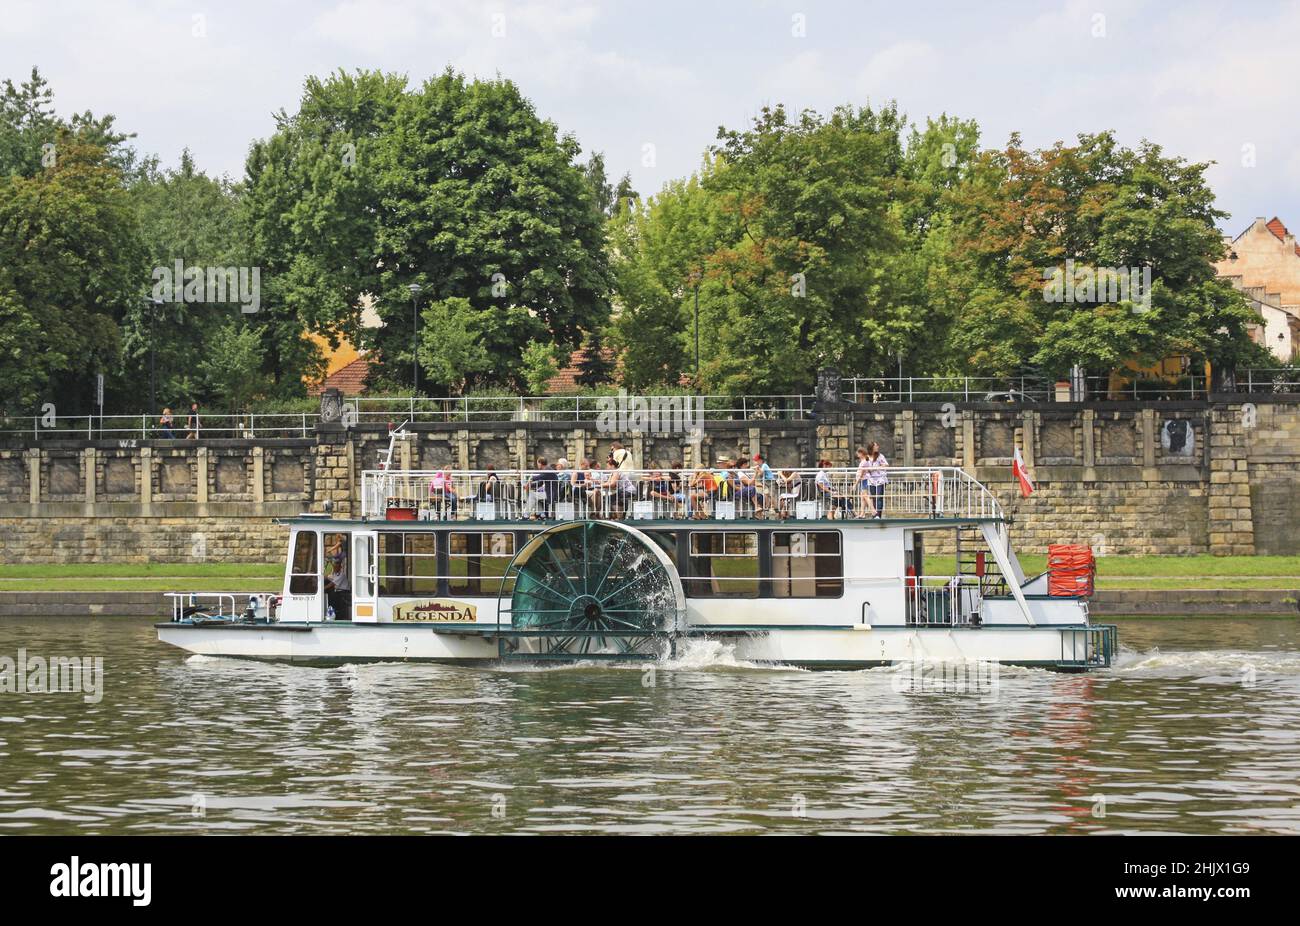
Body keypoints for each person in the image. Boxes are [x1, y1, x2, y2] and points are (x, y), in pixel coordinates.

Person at [863, 442, 889, 518]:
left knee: (879, 497)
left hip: (880, 479)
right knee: (873, 498)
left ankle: (878, 515)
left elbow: (886, 465)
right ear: (872, 447)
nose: (878, 446)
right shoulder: (867, 457)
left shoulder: (880, 456)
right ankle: (875, 515)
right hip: (871, 480)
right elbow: (865, 467)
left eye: (877, 445)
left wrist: (876, 468)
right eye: (876, 445)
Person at [324, 553, 351, 621]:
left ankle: (333, 613)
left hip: (343, 593)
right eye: (334, 566)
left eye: (336, 567)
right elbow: (327, 577)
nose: (335, 568)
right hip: (338, 592)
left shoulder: (341, 575)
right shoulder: (335, 574)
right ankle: (330, 611)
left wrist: (322, 589)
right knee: (330, 592)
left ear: (340, 567)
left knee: (331, 596)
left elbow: (332, 584)